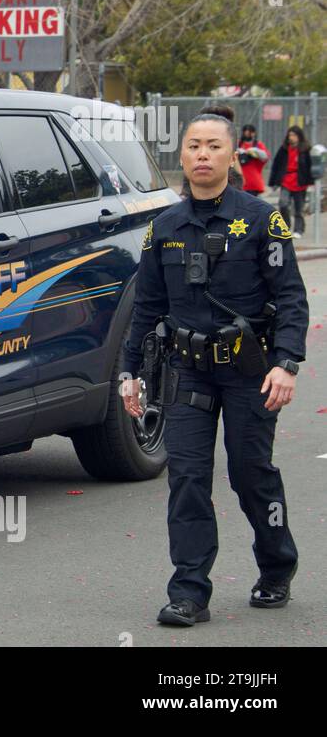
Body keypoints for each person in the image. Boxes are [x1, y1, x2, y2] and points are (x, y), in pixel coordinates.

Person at [121, 110, 308, 627]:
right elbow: (146, 308)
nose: (203, 155)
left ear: (231, 157)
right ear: (181, 156)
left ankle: (276, 567)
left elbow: (290, 297)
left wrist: (287, 363)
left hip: (250, 371)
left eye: (213, 147)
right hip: (188, 373)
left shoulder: (261, 219)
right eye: (193, 146)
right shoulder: (163, 228)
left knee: (250, 475)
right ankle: (189, 593)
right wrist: (128, 372)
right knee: (186, 478)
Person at [269, 125, 311, 238]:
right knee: (283, 203)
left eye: (294, 135)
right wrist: (273, 181)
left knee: (299, 208)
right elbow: (277, 164)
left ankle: (299, 229)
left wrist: (310, 181)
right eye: (290, 135)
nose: (291, 137)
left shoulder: (305, 149)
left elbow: (309, 165)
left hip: (300, 182)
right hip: (286, 181)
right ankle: (286, 226)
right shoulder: (284, 149)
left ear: (299, 136)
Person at [235, 124, 269, 194]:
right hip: (239, 181)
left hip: (254, 181)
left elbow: (265, 157)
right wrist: (239, 151)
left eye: (250, 132)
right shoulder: (238, 144)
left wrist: (255, 150)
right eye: (245, 131)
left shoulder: (258, 145)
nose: (247, 134)